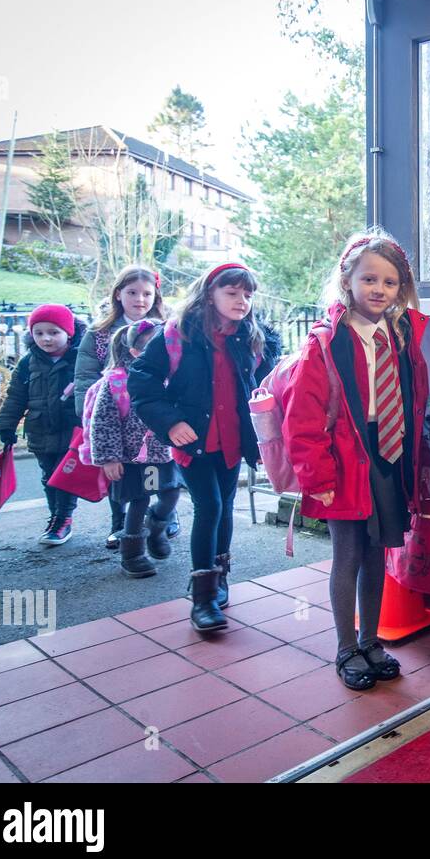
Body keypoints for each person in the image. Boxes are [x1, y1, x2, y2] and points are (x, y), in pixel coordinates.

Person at [284, 232, 430, 690]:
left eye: (390, 282)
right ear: (347, 281)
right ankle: (346, 647)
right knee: (347, 555)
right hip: (345, 460)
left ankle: (371, 640)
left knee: (378, 554)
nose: (379, 290)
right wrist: (317, 478)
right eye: (369, 278)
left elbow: (413, 400)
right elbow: (302, 420)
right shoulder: (326, 342)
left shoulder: (402, 335)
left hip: (388, 457)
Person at [129, 263, 280, 632]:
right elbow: (141, 381)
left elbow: (268, 386)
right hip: (193, 441)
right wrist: (171, 422)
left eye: (247, 295)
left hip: (232, 442)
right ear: (209, 293)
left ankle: (219, 576)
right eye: (232, 293)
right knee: (209, 505)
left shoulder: (252, 337)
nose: (241, 301)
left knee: (224, 506)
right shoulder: (178, 335)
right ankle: (203, 597)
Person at [74, 265, 172, 550]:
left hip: (154, 424)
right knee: (124, 482)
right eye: (132, 292)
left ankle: (161, 522)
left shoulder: (164, 330)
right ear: (118, 294)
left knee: (161, 478)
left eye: (146, 293)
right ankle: (121, 525)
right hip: (116, 416)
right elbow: (84, 376)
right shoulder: (100, 332)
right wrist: (88, 418)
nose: (139, 299)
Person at [84, 319, 184, 578]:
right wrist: (109, 457)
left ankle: (156, 526)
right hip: (140, 459)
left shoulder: (172, 375)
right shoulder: (117, 382)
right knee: (141, 499)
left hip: (166, 453)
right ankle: (132, 553)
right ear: (136, 352)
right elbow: (103, 421)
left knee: (171, 493)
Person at [0, 304, 85, 546]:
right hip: (40, 428)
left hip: (71, 429)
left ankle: (63, 520)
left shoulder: (81, 359)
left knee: (64, 475)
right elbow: (16, 396)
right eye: (40, 333)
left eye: (54, 332)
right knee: (48, 477)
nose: (46, 338)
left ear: (69, 332)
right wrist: (6, 426)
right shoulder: (28, 363)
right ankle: (55, 516)